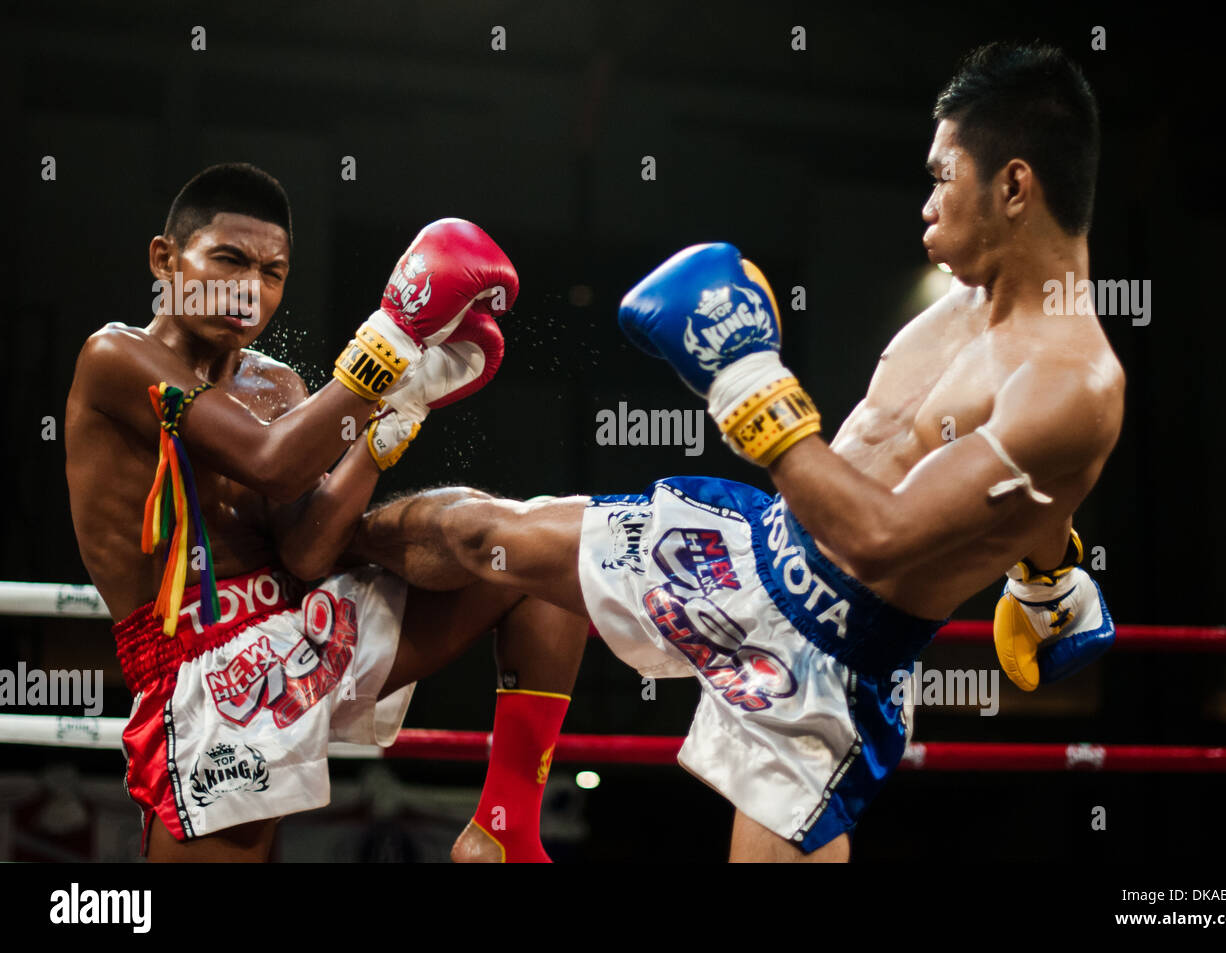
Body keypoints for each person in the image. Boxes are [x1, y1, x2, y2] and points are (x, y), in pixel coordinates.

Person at [349, 41, 1122, 862]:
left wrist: (745, 380)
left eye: (942, 175)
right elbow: (1040, 490)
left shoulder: (1073, 385)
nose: (926, 202)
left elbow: (883, 536)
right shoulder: (967, 305)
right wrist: (1050, 577)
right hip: (753, 547)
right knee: (482, 533)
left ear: (1013, 185)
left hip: (834, 658)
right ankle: (320, 551)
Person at [64, 163, 586, 862]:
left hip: (303, 626)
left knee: (535, 553)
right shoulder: (116, 357)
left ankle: (503, 828)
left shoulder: (279, 385)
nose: (250, 287)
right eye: (228, 259)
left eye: (272, 271)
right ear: (165, 259)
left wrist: (389, 420)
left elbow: (308, 550)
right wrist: (389, 342)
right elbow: (271, 460)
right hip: (199, 663)